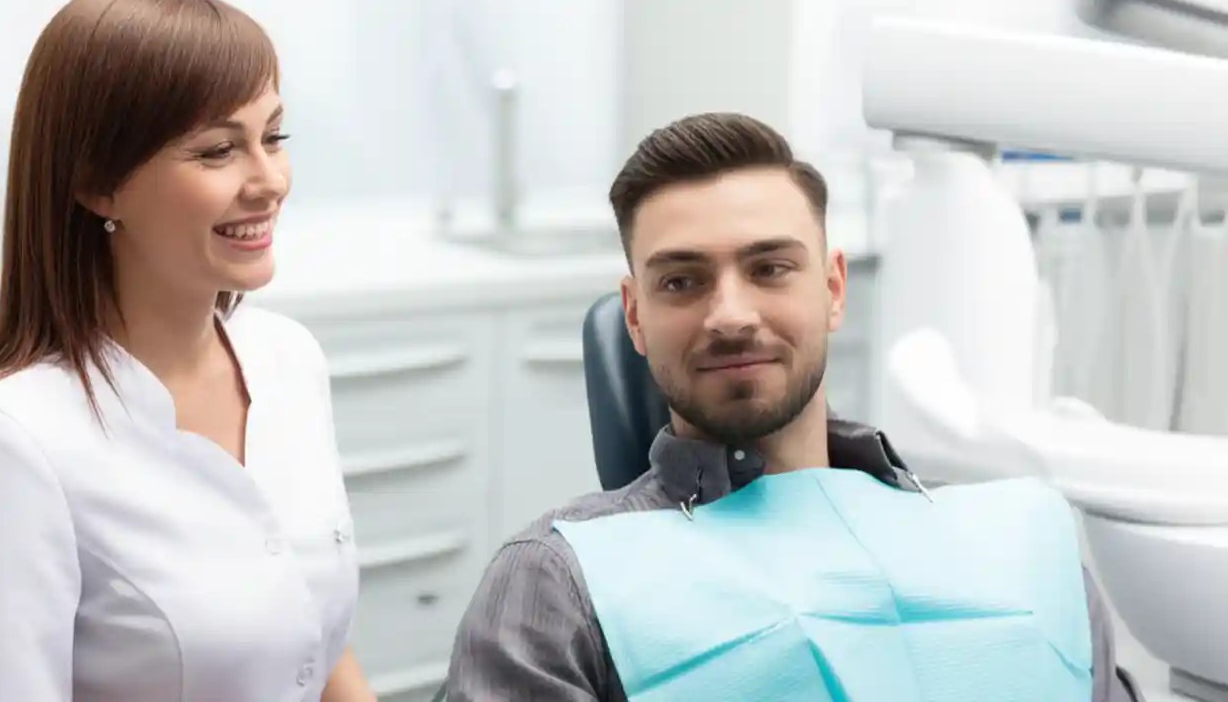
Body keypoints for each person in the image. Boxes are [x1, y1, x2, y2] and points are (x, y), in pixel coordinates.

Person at [444, 112, 1146, 701]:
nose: (730, 314)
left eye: (769, 268)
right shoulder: (556, 587)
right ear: (635, 317)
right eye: (682, 281)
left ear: (834, 289)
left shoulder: (1018, 545)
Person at [0, 0, 375, 701]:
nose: (268, 181)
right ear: (96, 184)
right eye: (217, 151)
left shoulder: (289, 360)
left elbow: (313, 640)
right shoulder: (11, 442)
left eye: (273, 137)